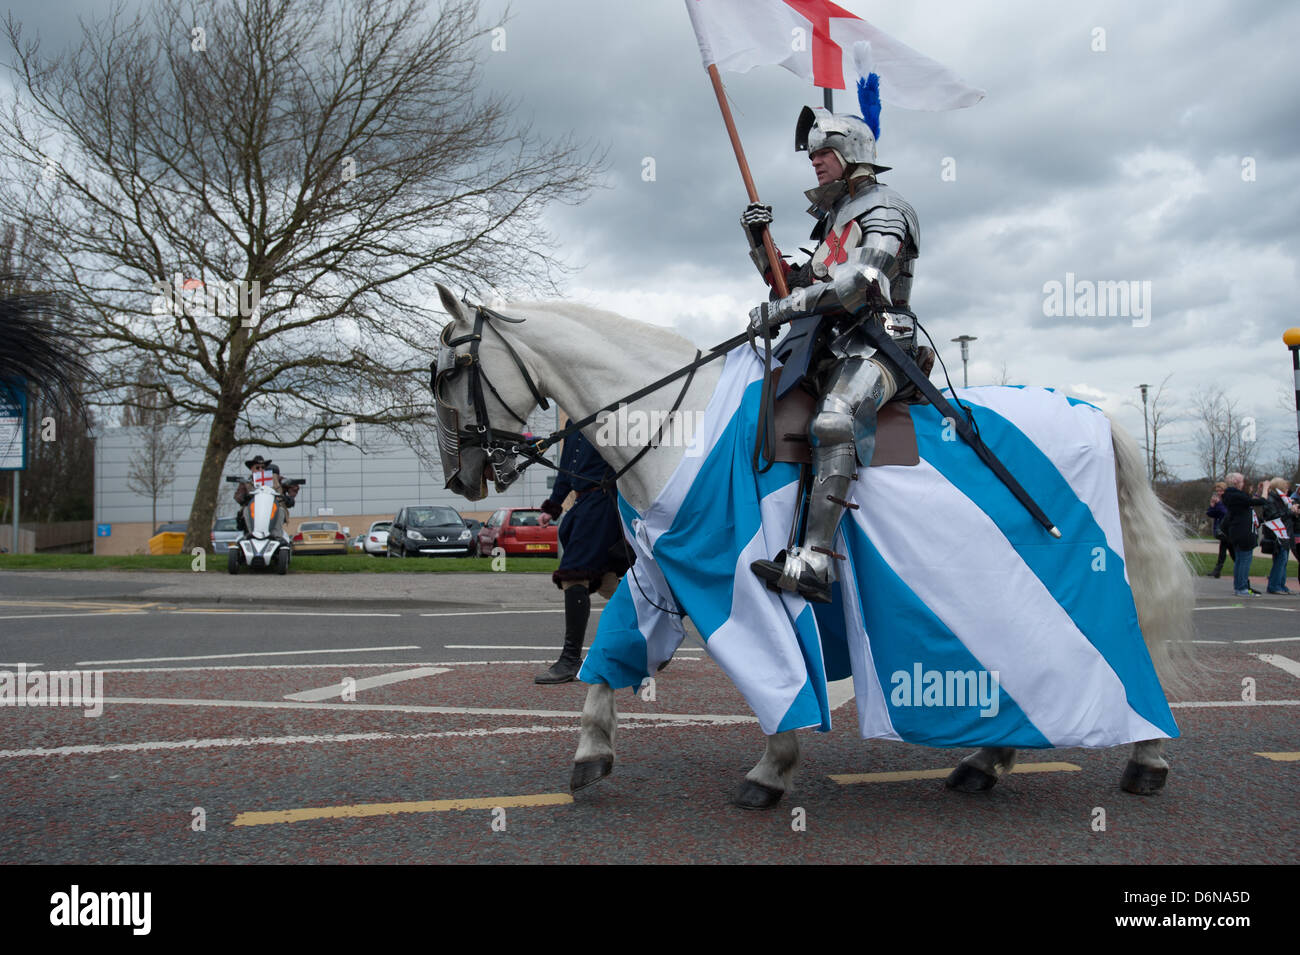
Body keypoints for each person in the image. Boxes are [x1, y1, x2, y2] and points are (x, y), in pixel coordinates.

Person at [742, 86, 930, 603]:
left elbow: (863, 283)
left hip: (880, 343)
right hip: (824, 346)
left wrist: (784, 308)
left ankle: (817, 563)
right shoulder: (831, 222)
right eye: (812, 154)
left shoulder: (889, 209)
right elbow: (795, 284)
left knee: (835, 419)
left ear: (850, 155)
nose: (814, 161)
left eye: (822, 152)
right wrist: (761, 246)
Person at [533, 429, 628, 684]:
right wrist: (552, 508)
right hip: (583, 506)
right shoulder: (575, 422)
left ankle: (570, 658)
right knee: (607, 581)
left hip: (602, 504)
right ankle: (655, 632)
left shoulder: (608, 417)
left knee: (574, 574)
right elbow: (566, 473)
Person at [1220, 473, 1267, 597]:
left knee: (1240, 560)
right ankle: (1242, 588)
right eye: (1241, 482)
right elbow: (1261, 501)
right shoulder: (1236, 495)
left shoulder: (1232, 495)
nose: (1243, 484)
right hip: (1243, 532)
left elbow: (1249, 501)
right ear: (1236, 483)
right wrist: (1266, 489)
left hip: (1238, 532)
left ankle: (1240, 586)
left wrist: (1258, 491)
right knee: (1244, 561)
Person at [1260, 477, 1295, 595]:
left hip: (1285, 533)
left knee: (1283, 560)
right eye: (1285, 487)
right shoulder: (1271, 500)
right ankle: (1274, 586)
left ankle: (1280, 584)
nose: (1287, 489)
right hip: (1277, 534)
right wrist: (1291, 512)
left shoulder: (1283, 500)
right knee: (1280, 560)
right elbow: (1274, 516)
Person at [1205, 481, 1233, 577]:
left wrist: (1219, 504)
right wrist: (1212, 505)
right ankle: (1217, 570)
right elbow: (1211, 513)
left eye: (1221, 491)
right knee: (1224, 550)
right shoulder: (1218, 501)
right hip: (1222, 529)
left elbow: (1226, 512)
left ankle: (1218, 570)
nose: (1219, 493)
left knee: (1228, 550)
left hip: (1228, 529)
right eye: (1217, 491)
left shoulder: (1228, 500)